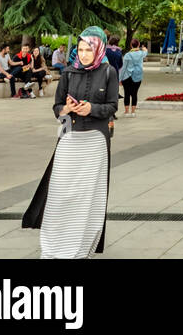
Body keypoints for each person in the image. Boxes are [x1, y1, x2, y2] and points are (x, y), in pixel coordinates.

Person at [22, 26, 119, 259]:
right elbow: (57, 107)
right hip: (69, 138)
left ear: (99, 50)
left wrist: (91, 108)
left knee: (86, 196)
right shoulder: (68, 72)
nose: (84, 54)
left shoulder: (109, 72)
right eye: (81, 49)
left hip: (95, 142)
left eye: (89, 49)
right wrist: (65, 108)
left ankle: (80, 245)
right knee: (60, 192)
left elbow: (112, 107)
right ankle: (54, 244)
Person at [120, 38, 147, 115]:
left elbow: (124, 68)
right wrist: (144, 49)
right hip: (138, 75)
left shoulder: (127, 55)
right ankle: (133, 112)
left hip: (127, 76)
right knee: (134, 93)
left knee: (127, 94)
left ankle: (126, 111)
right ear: (138, 45)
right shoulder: (141, 53)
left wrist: (120, 78)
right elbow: (146, 52)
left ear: (131, 45)